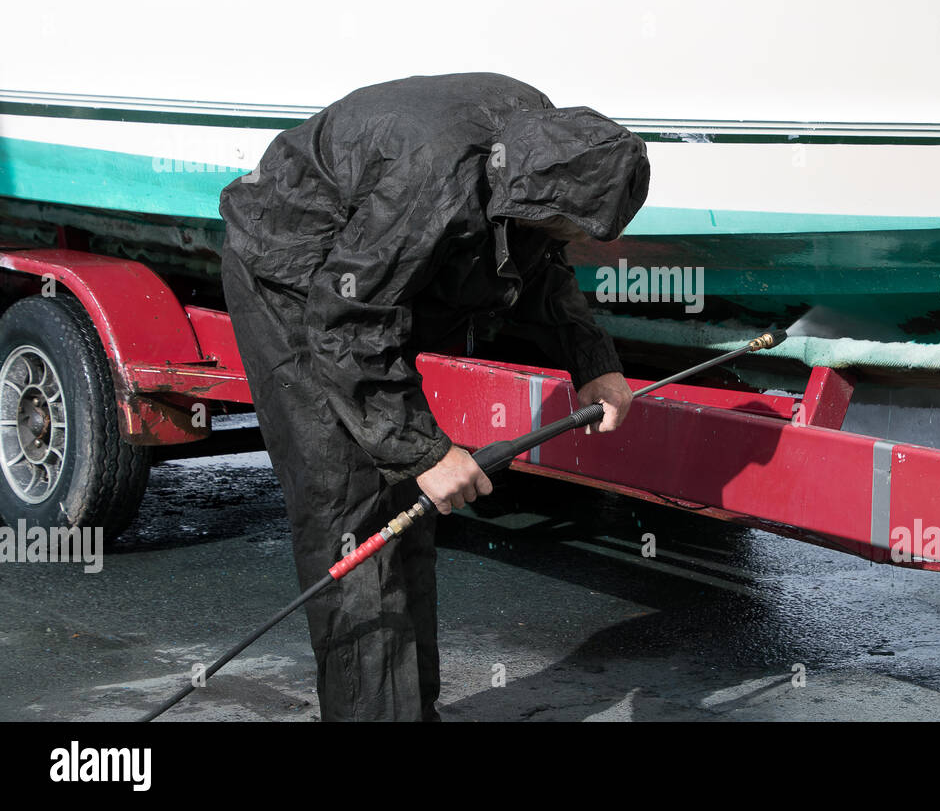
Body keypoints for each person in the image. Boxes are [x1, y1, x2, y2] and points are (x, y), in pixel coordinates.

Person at [218, 73, 650, 721]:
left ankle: (409, 709)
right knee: (352, 507)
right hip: (291, 280)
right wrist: (425, 451)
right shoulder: (434, 181)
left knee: (405, 504)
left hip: (361, 278)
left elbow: (539, 258)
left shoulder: (538, 151)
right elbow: (346, 322)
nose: (578, 241)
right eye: (574, 227)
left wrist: (592, 361)